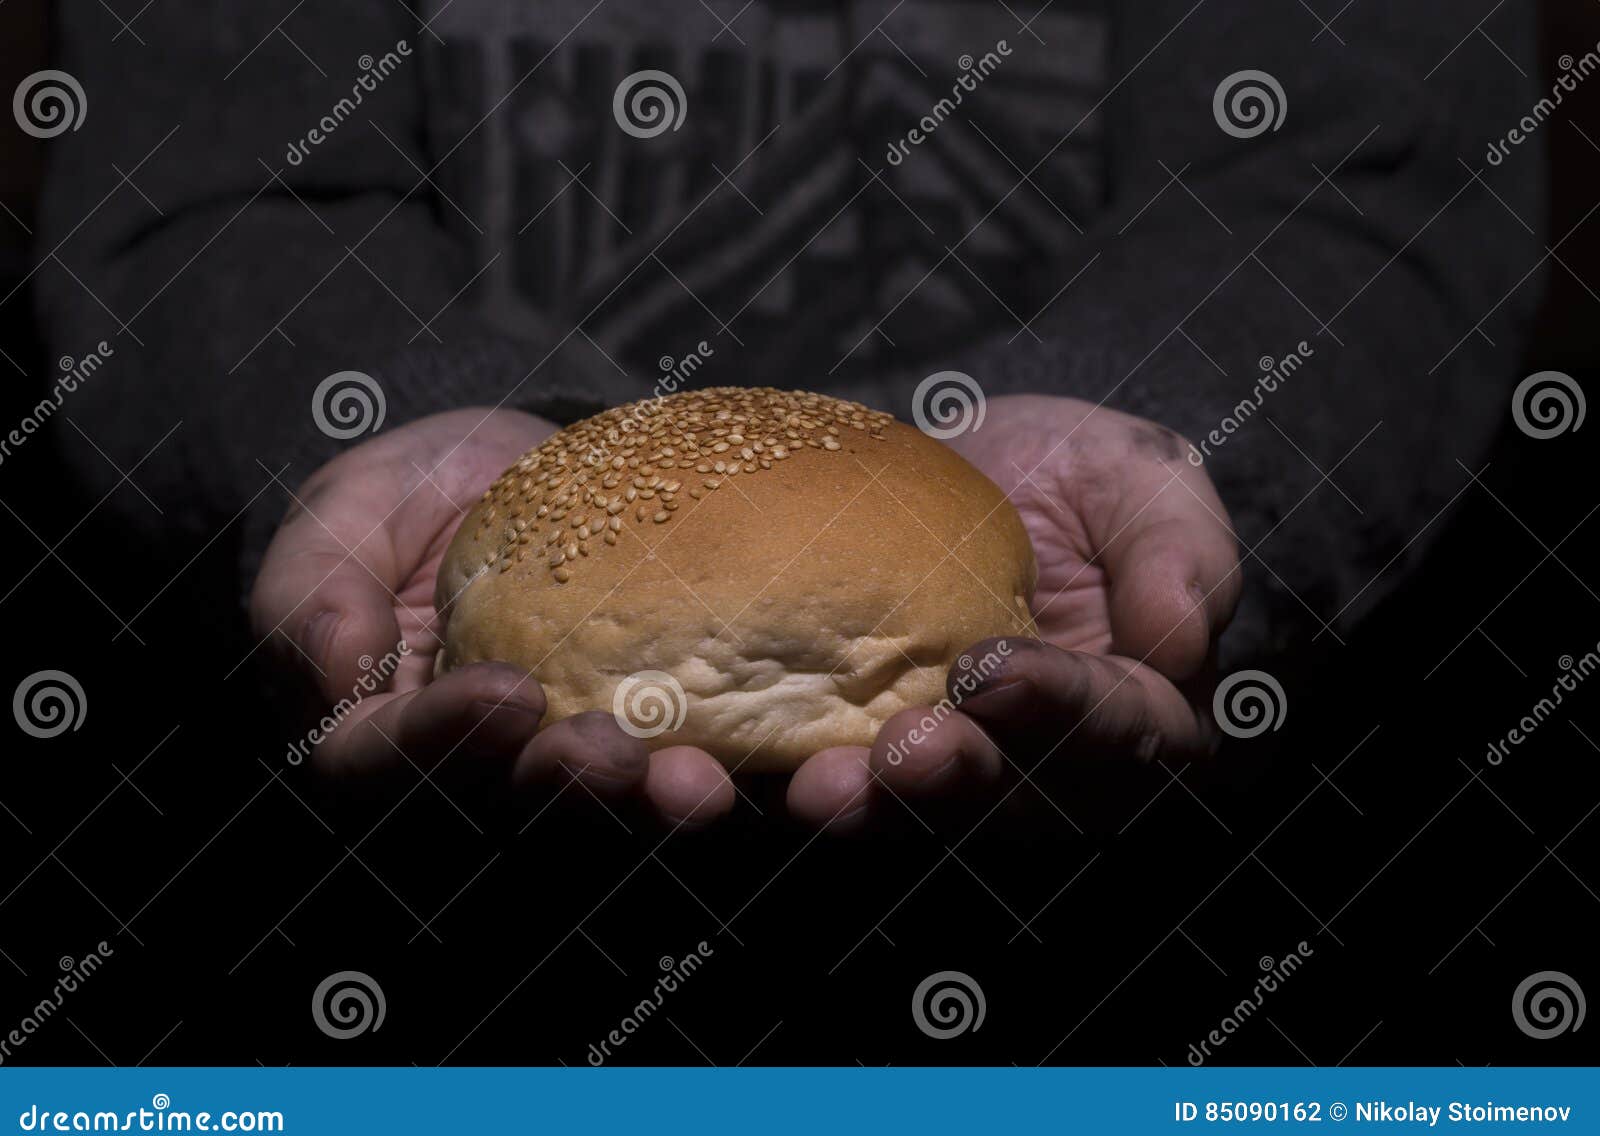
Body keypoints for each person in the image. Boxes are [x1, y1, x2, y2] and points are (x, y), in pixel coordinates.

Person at [33, 1, 1545, 830]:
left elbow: (1356, 176)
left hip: (1175, 934)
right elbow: (208, 185)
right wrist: (374, 423)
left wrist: (1168, 428)